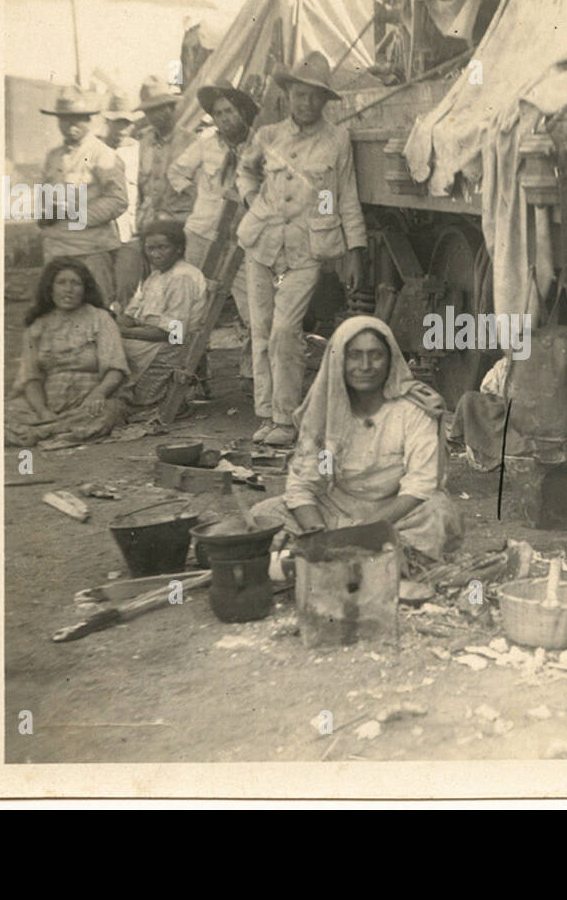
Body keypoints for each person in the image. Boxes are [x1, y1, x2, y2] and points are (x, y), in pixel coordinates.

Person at [250, 316, 463, 566]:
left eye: (375, 355)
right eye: (354, 355)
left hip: (394, 513)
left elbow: (420, 485)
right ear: (338, 360)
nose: (365, 366)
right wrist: (319, 535)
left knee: (438, 511)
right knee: (264, 514)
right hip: (334, 513)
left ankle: (338, 560)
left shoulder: (412, 410)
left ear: (390, 360)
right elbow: (302, 486)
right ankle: (369, 559)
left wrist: (364, 531)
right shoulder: (324, 411)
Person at [236, 52, 369, 446]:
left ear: (325, 101)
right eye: (299, 95)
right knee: (259, 330)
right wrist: (251, 201)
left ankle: (285, 418)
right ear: (287, 95)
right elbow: (244, 170)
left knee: (284, 331)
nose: (305, 104)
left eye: (314, 97)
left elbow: (345, 197)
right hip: (261, 243)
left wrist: (354, 249)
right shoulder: (268, 136)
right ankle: (265, 415)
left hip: (307, 249)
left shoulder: (336, 139)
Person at [168, 82, 258, 392]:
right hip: (203, 232)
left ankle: (253, 373)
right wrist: (198, 194)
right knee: (195, 303)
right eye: (218, 114)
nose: (224, 119)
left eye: (229, 112)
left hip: (241, 236)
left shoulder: (258, 144)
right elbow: (176, 171)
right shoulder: (206, 144)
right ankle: (196, 377)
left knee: (252, 305)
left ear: (242, 113)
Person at [5, 257, 129, 446]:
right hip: (48, 405)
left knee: (106, 413)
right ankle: (55, 431)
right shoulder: (37, 326)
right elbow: (30, 378)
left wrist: (98, 394)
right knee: (1, 414)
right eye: (61, 283)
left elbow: (116, 368)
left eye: (75, 283)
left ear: (84, 289)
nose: (68, 289)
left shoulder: (100, 319)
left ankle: (41, 433)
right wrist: (42, 412)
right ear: (50, 288)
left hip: (88, 403)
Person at [37, 88, 129, 305]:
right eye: (65, 119)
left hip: (91, 250)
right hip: (57, 250)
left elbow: (118, 200)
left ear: (89, 120)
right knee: (59, 316)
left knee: (97, 312)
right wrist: (45, 214)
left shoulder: (102, 154)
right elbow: (45, 196)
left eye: (77, 119)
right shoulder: (53, 157)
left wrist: (75, 214)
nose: (71, 126)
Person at [116, 220, 208, 409]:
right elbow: (132, 313)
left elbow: (175, 333)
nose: (155, 254)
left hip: (171, 346)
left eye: (163, 248)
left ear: (179, 248)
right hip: (151, 338)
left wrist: (123, 332)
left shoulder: (182, 277)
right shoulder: (156, 276)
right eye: (150, 249)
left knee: (108, 353)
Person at [135, 77, 195, 231]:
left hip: (181, 223)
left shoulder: (191, 142)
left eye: (160, 108)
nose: (155, 115)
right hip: (149, 223)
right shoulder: (145, 142)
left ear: (172, 107)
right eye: (149, 111)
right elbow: (141, 189)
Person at [101, 90, 144, 305]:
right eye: (116, 123)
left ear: (132, 125)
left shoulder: (139, 151)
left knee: (128, 283)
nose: (121, 129)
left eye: (125, 123)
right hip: (102, 228)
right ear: (107, 122)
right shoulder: (96, 150)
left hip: (131, 226)